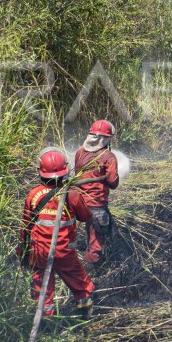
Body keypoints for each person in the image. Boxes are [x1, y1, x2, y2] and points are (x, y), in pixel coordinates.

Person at [19, 149, 96, 319]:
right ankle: (86, 316)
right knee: (80, 281)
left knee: (42, 287)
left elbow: (26, 225)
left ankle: (46, 322)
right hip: (64, 251)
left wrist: (23, 253)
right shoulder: (72, 194)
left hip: (39, 251)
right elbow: (85, 216)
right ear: (65, 172)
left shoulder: (33, 194)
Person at [73, 119, 120, 265]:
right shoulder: (108, 157)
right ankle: (90, 276)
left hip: (77, 202)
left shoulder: (80, 152)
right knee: (96, 243)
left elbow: (77, 174)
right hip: (96, 205)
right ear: (105, 139)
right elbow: (113, 183)